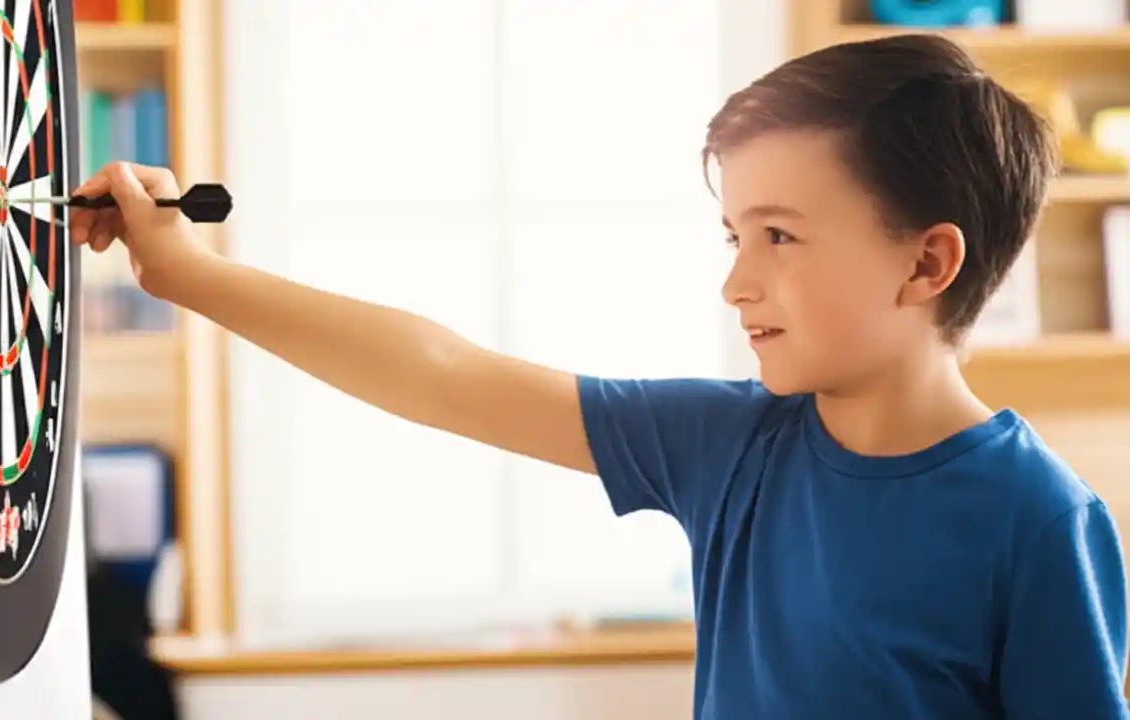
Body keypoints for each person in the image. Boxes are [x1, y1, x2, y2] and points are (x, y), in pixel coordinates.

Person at [71, 33, 1129, 720]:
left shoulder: (1034, 521)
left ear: (925, 261)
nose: (735, 283)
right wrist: (190, 278)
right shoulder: (731, 448)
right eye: (732, 234)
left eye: (777, 236)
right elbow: (442, 375)